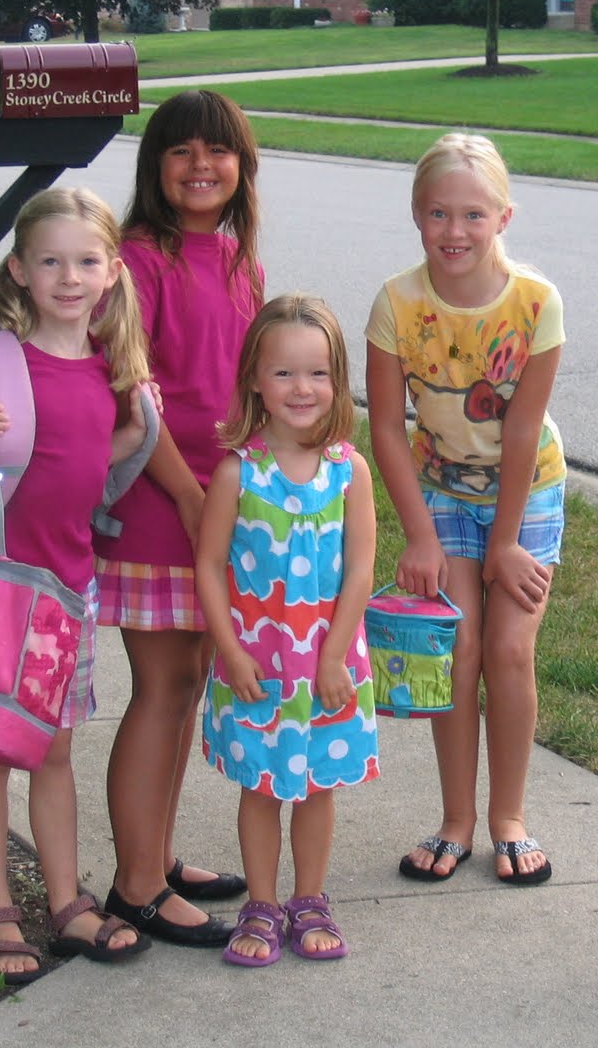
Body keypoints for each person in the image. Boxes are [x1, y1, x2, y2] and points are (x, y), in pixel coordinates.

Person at [0, 187, 155, 980]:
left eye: (87, 261)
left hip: (70, 593)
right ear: (22, 271)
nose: (71, 276)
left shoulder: (108, 369)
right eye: (52, 261)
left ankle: (66, 901)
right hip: (1, 589)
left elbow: (84, 474)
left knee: (55, 752)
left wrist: (133, 432)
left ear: (110, 271)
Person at [366, 132, 565, 886]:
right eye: (438, 214)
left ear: (504, 217)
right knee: (458, 648)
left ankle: (508, 817)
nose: (455, 232)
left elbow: (521, 428)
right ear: (417, 215)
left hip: (527, 489)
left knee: (510, 651)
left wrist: (508, 540)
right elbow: (385, 426)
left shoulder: (536, 304)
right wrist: (418, 534)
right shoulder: (396, 302)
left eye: (473, 216)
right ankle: (455, 818)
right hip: (441, 494)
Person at [96, 90, 265, 947]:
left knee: (190, 681)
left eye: (219, 151)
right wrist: (194, 497)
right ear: (153, 166)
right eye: (181, 152)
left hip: (223, 500)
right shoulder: (136, 259)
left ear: (243, 165)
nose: (202, 166)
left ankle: (156, 859)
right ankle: (134, 886)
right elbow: (133, 388)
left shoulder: (238, 261)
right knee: (160, 687)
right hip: (161, 504)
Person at [196, 294, 379, 966]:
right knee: (261, 787)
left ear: (337, 382)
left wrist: (334, 656)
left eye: (318, 373)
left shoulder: (347, 471)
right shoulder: (236, 473)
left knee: (317, 787)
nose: (302, 389)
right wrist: (229, 650)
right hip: (258, 665)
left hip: (328, 667)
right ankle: (264, 904)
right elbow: (209, 567)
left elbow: (360, 569)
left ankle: (309, 898)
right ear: (254, 379)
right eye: (284, 374)